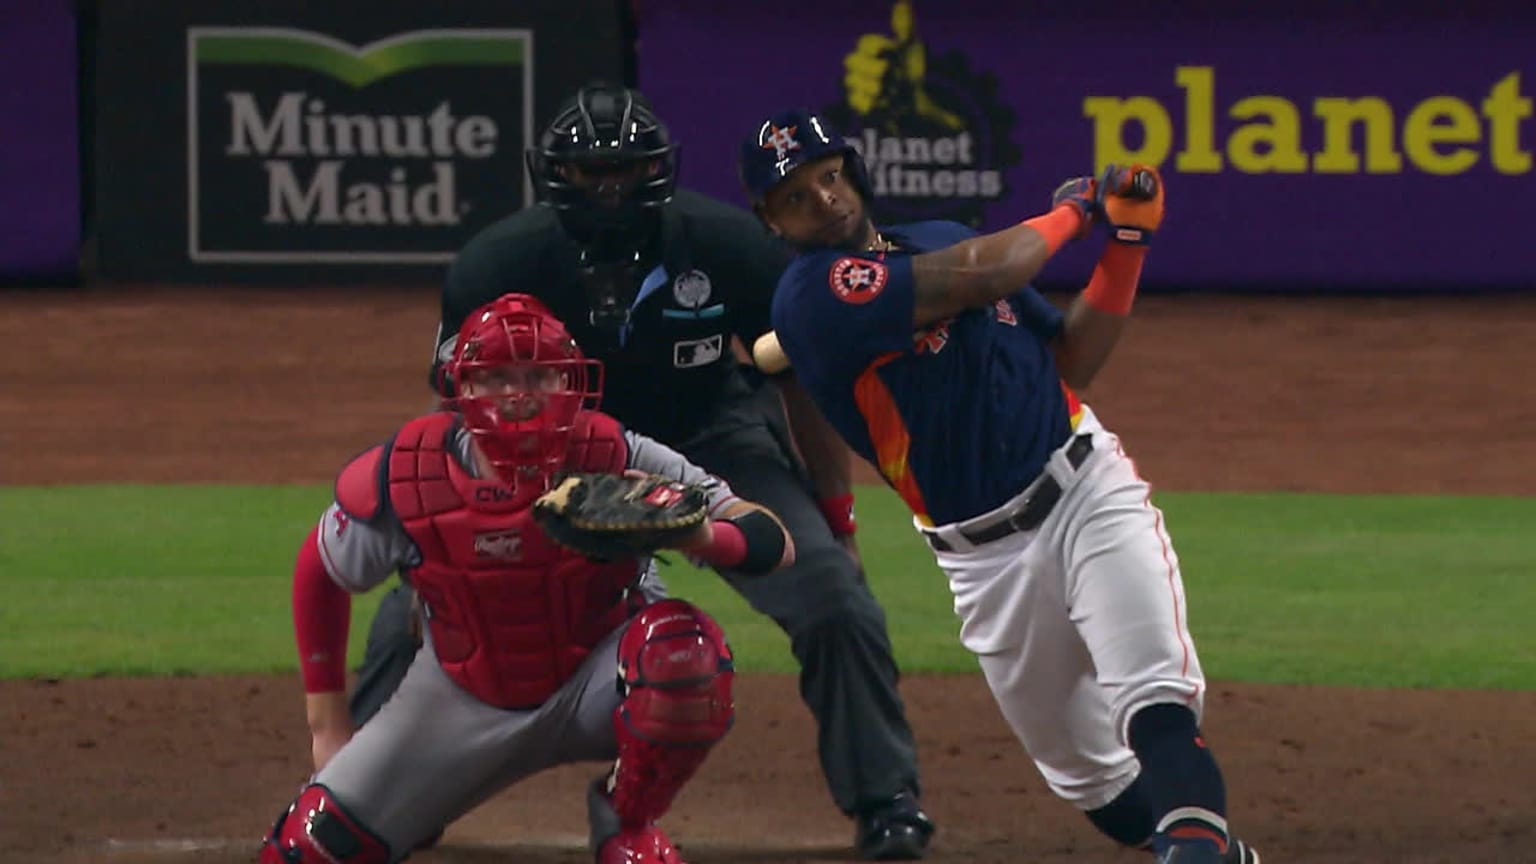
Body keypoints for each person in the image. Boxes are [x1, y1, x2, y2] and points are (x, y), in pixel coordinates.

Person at [352, 83, 935, 860]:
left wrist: (836, 522)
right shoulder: (498, 264)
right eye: (592, 174)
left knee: (833, 595)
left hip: (712, 439)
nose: (610, 188)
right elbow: (461, 409)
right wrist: (453, 543)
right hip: (549, 453)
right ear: (554, 174)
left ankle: (886, 801)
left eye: (626, 170)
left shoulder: (728, 247)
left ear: (660, 169)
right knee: (414, 610)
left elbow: (801, 381)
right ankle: (372, 795)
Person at [736, 108, 1262, 864]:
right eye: (795, 196)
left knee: (1157, 707)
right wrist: (1075, 210)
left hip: (1085, 492)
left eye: (828, 176)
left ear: (852, 171)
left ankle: (1197, 847)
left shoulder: (941, 238)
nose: (824, 199)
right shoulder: (814, 298)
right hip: (980, 562)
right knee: (1096, 786)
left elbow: (1070, 359)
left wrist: (1126, 248)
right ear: (772, 221)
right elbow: (993, 272)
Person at [260, 293, 795, 864]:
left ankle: (628, 822)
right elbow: (319, 571)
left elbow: (774, 542)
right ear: (460, 389)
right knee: (313, 849)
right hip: (458, 697)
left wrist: (700, 536)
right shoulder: (407, 475)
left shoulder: (614, 452)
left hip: (596, 680)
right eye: (496, 378)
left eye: (539, 375)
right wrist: (327, 725)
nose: (519, 396)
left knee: (682, 654)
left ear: (570, 383)